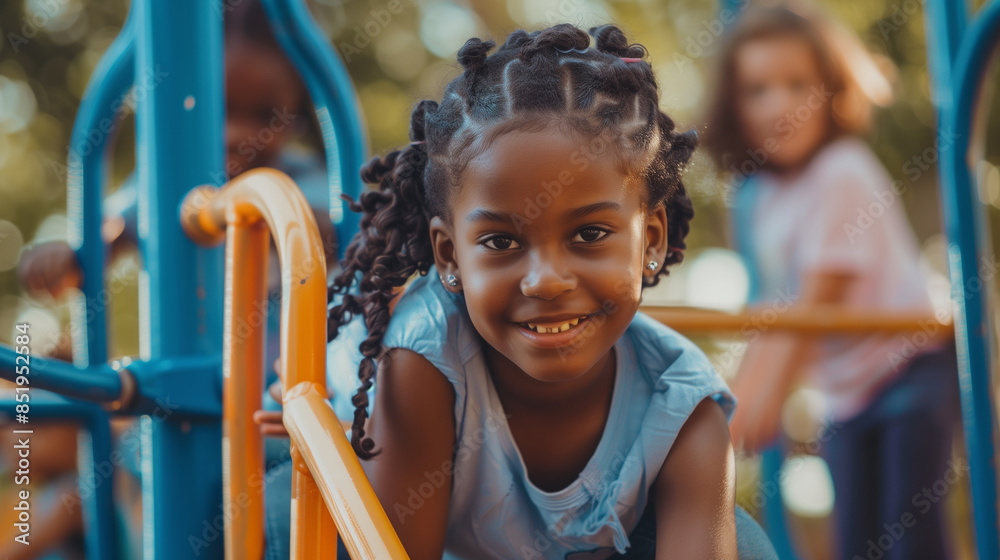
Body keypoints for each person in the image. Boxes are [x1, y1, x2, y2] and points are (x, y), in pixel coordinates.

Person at [258, 22, 779, 560]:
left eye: (590, 234)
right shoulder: (425, 356)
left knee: (743, 545)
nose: (546, 280)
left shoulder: (683, 408)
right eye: (501, 241)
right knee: (290, 504)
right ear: (449, 256)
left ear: (650, 239)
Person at [703, 4, 959, 560]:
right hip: (844, 394)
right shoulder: (758, 197)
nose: (781, 106)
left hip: (910, 367)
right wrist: (726, 414)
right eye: (758, 90)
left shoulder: (842, 170)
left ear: (831, 91)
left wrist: (758, 406)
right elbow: (772, 312)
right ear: (733, 105)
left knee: (908, 531)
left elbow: (816, 304)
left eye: (799, 85)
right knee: (858, 541)